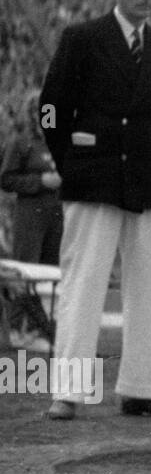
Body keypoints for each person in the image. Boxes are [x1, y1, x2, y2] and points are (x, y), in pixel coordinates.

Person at [39, 0, 151, 420]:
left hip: (146, 178)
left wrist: (150, 151)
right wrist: (74, 160)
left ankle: (140, 388)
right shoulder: (82, 39)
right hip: (94, 176)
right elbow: (51, 109)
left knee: (146, 287)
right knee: (83, 285)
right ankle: (68, 391)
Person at [1, 88, 63, 341]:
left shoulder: (59, 142)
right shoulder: (22, 142)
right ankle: (17, 327)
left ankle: (44, 327)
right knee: (25, 269)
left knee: (51, 271)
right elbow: (6, 179)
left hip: (57, 213)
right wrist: (39, 182)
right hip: (31, 214)